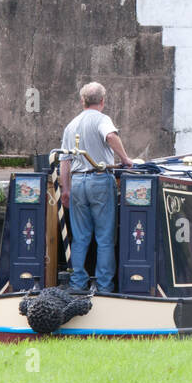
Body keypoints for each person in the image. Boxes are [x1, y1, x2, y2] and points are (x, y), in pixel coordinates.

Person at [60, 81, 134, 294]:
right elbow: (110, 136)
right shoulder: (103, 119)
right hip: (100, 180)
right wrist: (126, 159)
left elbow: (65, 161)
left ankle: (77, 283)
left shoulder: (71, 125)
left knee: (80, 236)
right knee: (104, 237)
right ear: (102, 101)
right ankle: (104, 286)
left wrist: (66, 189)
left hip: (77, 182)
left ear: (82, 101)